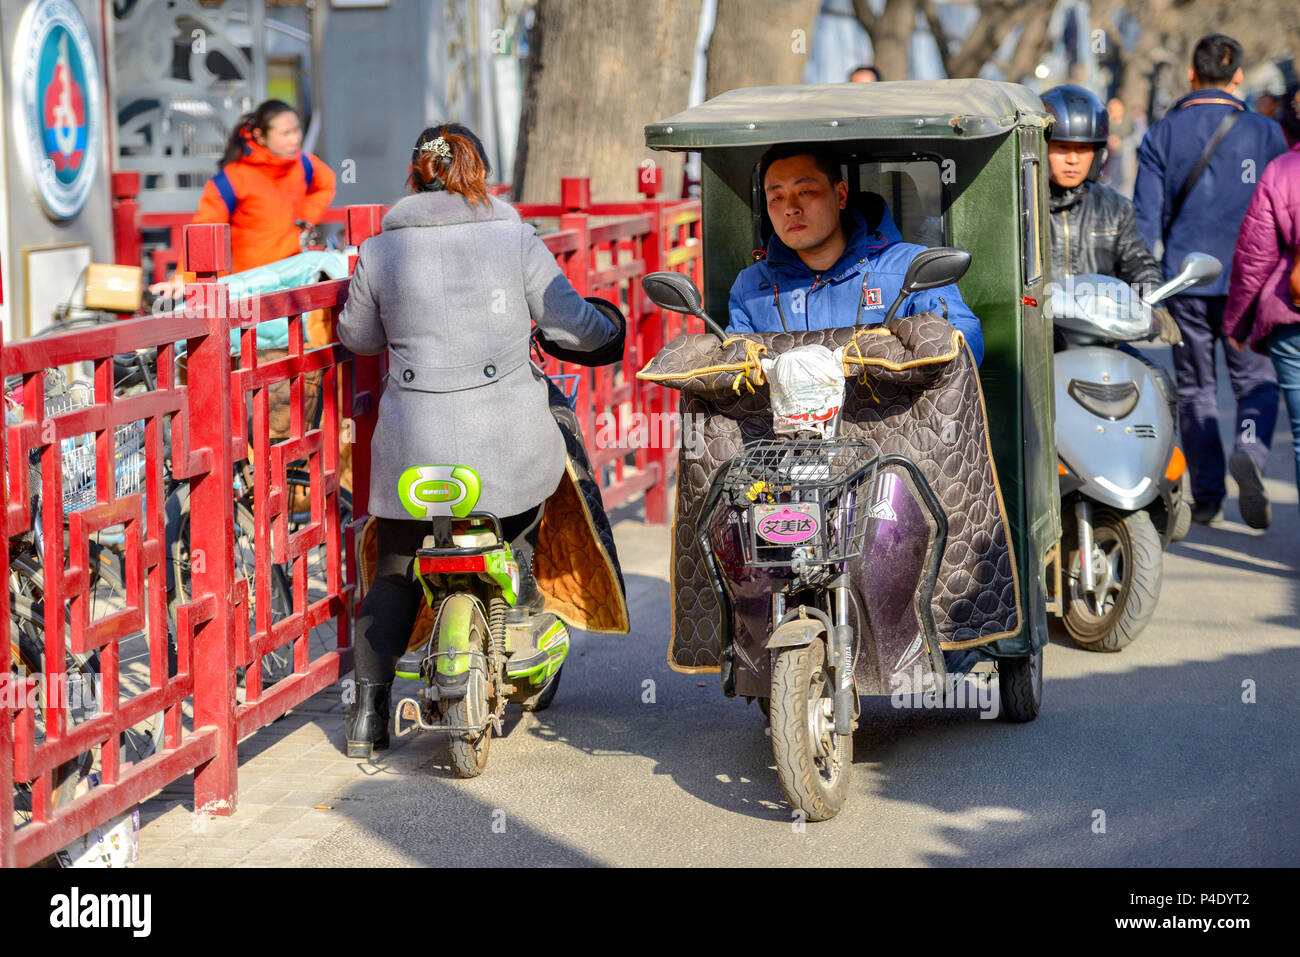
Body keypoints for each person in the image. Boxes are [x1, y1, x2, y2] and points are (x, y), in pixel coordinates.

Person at [336, 123, 620, 758]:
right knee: (519, 528)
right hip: (507, 441)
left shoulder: (380, 250)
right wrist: (608, 329)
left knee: (393, 572)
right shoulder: (515, 238)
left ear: (415, 176)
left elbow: (357, 338)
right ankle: (517, 631)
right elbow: (569, 323)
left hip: (414, 446)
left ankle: (367, 718)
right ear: (479, 174)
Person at [1133, 34, 1288, 527]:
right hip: (1253, 283)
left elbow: (1145, 222)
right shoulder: (1267, 134)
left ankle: (1207, 495)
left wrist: (1145, 285)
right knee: (1256, 382)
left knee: (1197, 388)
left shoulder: (1162, 134)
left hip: (1185, 281)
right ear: (1239, 76)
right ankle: (1250, 445)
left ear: (1191, 75)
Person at [727, 144, 984, 366]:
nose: (790, 208)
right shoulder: (751, 287)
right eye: (777, 197)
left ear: (840, 195)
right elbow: (734, 369)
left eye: (805, 192)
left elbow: (961, 339)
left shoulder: (912, 269)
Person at [156, 100, 336, 287]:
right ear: (260, 136)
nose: (295, 139)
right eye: (285, 133)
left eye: (296, 130)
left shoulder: (305, 164)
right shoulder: (232, 179)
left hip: (296, 277)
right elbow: (203, 232)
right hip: (252, 285)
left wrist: (305, 220)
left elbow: (326, 184)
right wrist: (182, 279)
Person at [1223, 138, 1300, 516]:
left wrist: (1239, 323)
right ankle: (1249, 450)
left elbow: (1256, 256)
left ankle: (1209, 494)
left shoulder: (1283, 170)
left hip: (1292, 314)